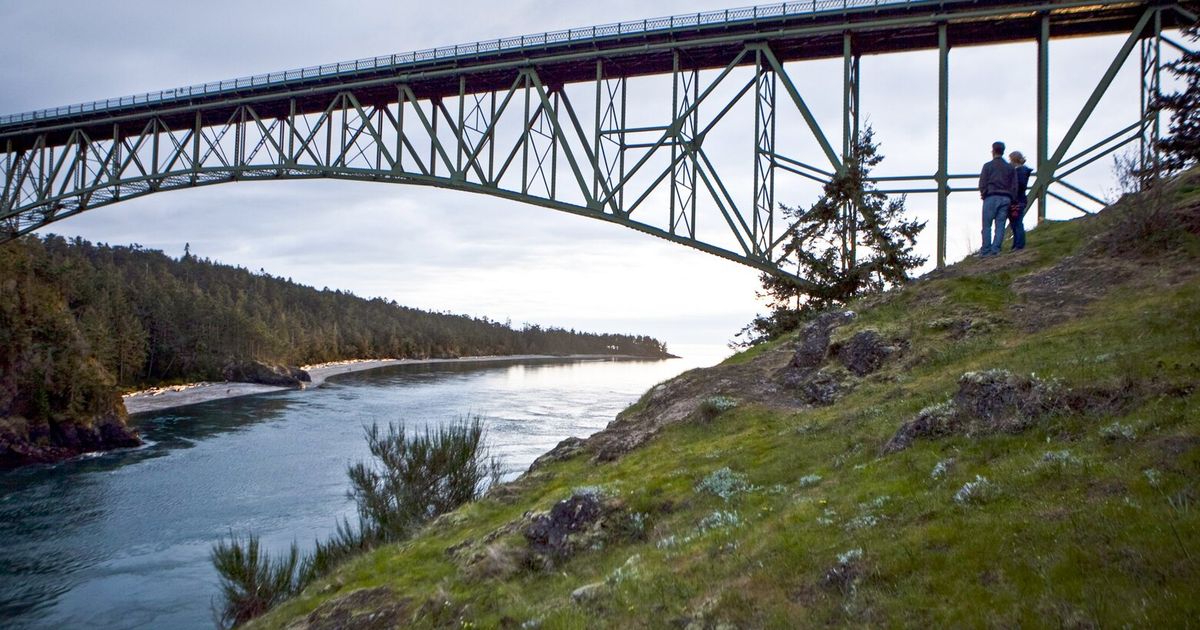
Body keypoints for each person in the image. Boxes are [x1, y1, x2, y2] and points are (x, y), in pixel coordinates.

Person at [977, 141, 1018, 256]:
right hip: (1006, 198)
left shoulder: (988, 166)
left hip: (991, 196)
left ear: (993, 151)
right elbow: (1014, 185)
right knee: (1000, 226)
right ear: (1003, 151)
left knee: (987, 226)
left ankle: (985, 250)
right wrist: (1012, 198)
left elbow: (982, 182)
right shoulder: (1010, 167)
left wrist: (984, 194)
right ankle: (995, 250)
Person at [1008, 151, 1033, 251]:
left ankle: (1019, 244)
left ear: (1014, 160)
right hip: (1019, 199)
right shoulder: (1022, 170)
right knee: (1015, 223)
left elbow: (1021, 185)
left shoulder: (1020, 171)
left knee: (1017, 223)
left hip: (1017, 200)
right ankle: (1017, 244)